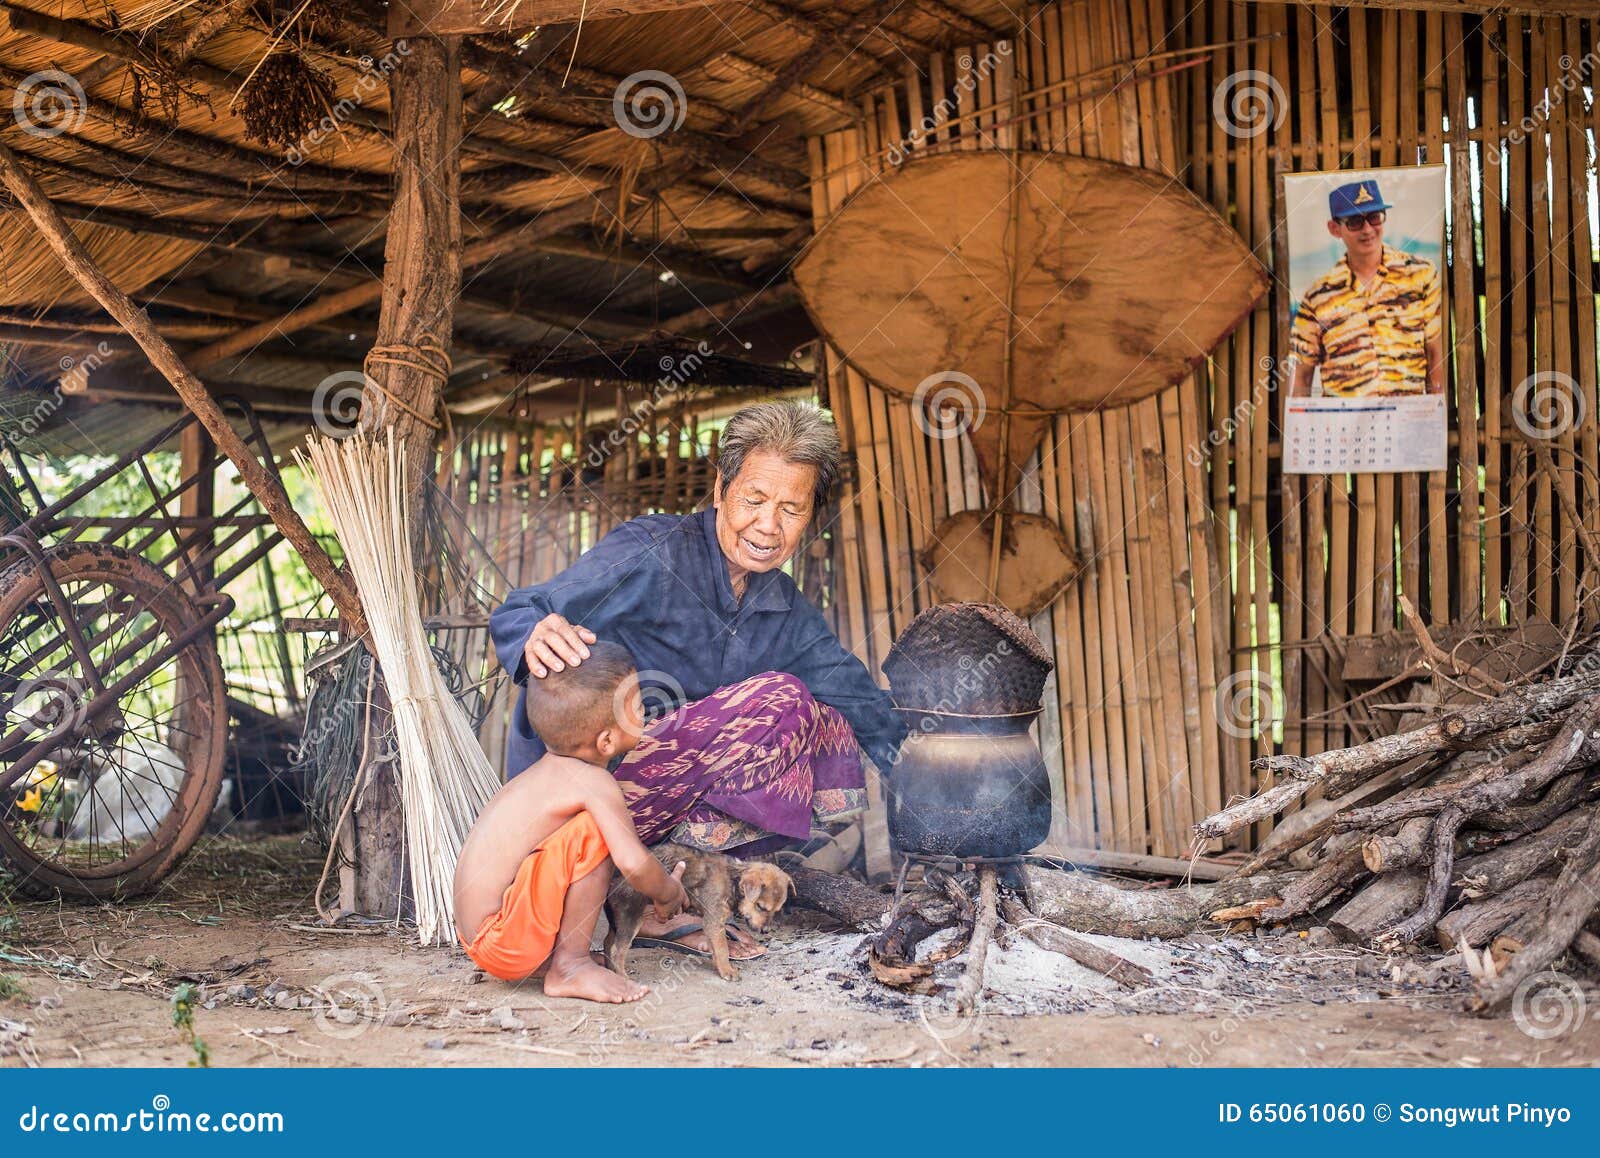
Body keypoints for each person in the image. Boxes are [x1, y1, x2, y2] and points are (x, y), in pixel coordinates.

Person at [489, 401, 908, 962]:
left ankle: (677, 892)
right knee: (782, 699)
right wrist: (534, 630)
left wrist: (920, 757)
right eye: (754, 500)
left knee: (828, 718)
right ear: (720, 490)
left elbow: (854, 693)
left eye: (791, 508)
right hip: (589, 801)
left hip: (662, 804)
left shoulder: (782, 606)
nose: (768, 525)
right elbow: (526, 606)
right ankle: (620, 884)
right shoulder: (650, 551)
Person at [453, 642, 690, 1003]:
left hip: (482, 937)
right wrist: (669, 893)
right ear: (607, 739)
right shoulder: (594, 783)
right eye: (639, 707)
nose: (647, 713)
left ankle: (553, 959)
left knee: (581, 831)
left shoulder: (542, 775)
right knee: (593, 833)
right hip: (501, 939)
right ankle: (571, 966)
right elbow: (634, 864)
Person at [1289, 178, 1444, 398]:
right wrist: (1300, 428)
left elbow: (1435, 354)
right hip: (1343, 427)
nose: (1368, 229)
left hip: (1407, 422)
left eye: (1374, 217)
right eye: (1355, 222)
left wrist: (1435, 413)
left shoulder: (1421, 275)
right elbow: (1302, 374)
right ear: (1334, 229)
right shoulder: (1318, 296)